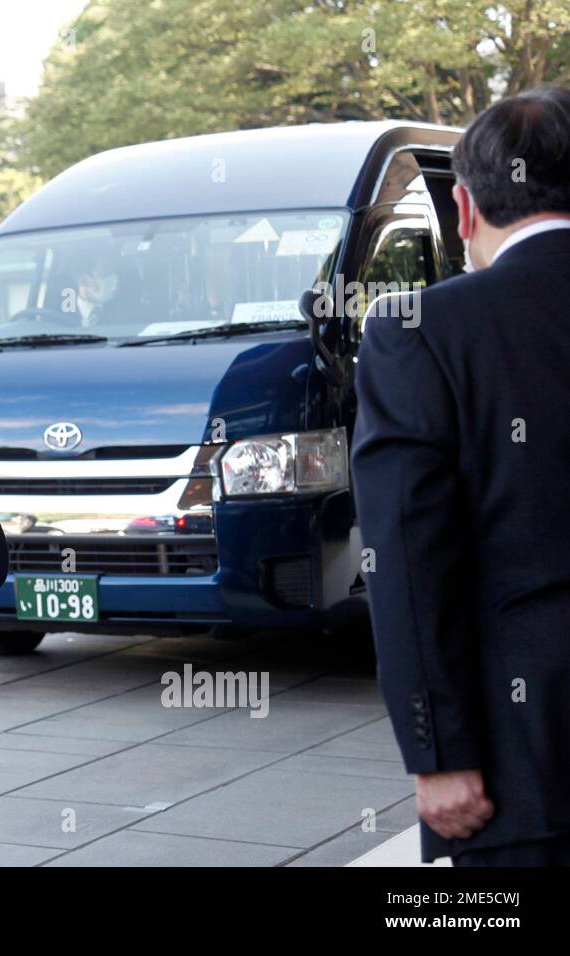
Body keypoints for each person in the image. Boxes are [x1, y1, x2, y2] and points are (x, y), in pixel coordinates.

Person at [351, 85, 570, 866]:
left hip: (528, 765)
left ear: (467, 208)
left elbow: (407, 554)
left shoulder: (422, 331)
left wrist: (437, 752)